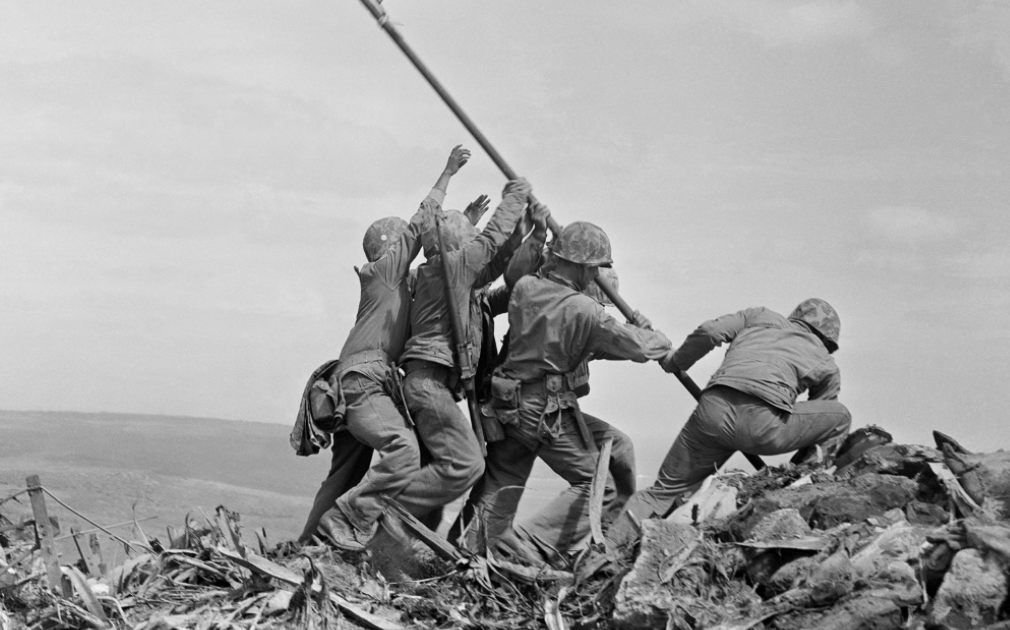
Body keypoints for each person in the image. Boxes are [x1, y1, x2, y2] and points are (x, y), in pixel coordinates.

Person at [475, 222, 672, 561]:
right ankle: (528, 548)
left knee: (502, 483)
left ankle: (477, 552)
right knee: (600, 486)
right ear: (581, 266)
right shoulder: (585, 311)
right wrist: (655, 336)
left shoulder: (526, 288)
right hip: (543, 410)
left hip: (508, 404)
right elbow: (639, 347)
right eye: (594, 267)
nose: (595, 273)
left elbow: (599, 342)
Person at [309, 145, 472, 550]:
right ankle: (349, 522)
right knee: (403, 449)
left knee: (345, 474)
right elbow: (420, 226)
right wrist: (447, 174)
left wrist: (465, 225)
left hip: (359, 382)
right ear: (391, 248)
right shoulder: (382, 274)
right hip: (364, 382)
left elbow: (441, 265)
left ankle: (307, 546)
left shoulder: (397, 286)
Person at [607, 298, 852, 548]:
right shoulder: (826, 362)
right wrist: (796, 469)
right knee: (840, 416)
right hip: (764, 427)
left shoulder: (759, 316)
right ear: (828, 339)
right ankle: (801, 484)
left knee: (662, 491)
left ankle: (607, 550)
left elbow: (710, 332)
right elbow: (819, 422)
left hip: (712, 413)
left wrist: (677, 362)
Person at [393, 177, 533, 527]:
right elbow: (491, 241)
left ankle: (401, 538)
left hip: (431, 384)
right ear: (458, 245)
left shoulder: (446, 273)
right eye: (469, 239)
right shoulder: (451, 268)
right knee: (467, 464)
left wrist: (528, 232)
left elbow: (495, 261)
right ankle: (381, 510)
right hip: (429, 384)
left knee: (436, 481)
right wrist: (515, 197)